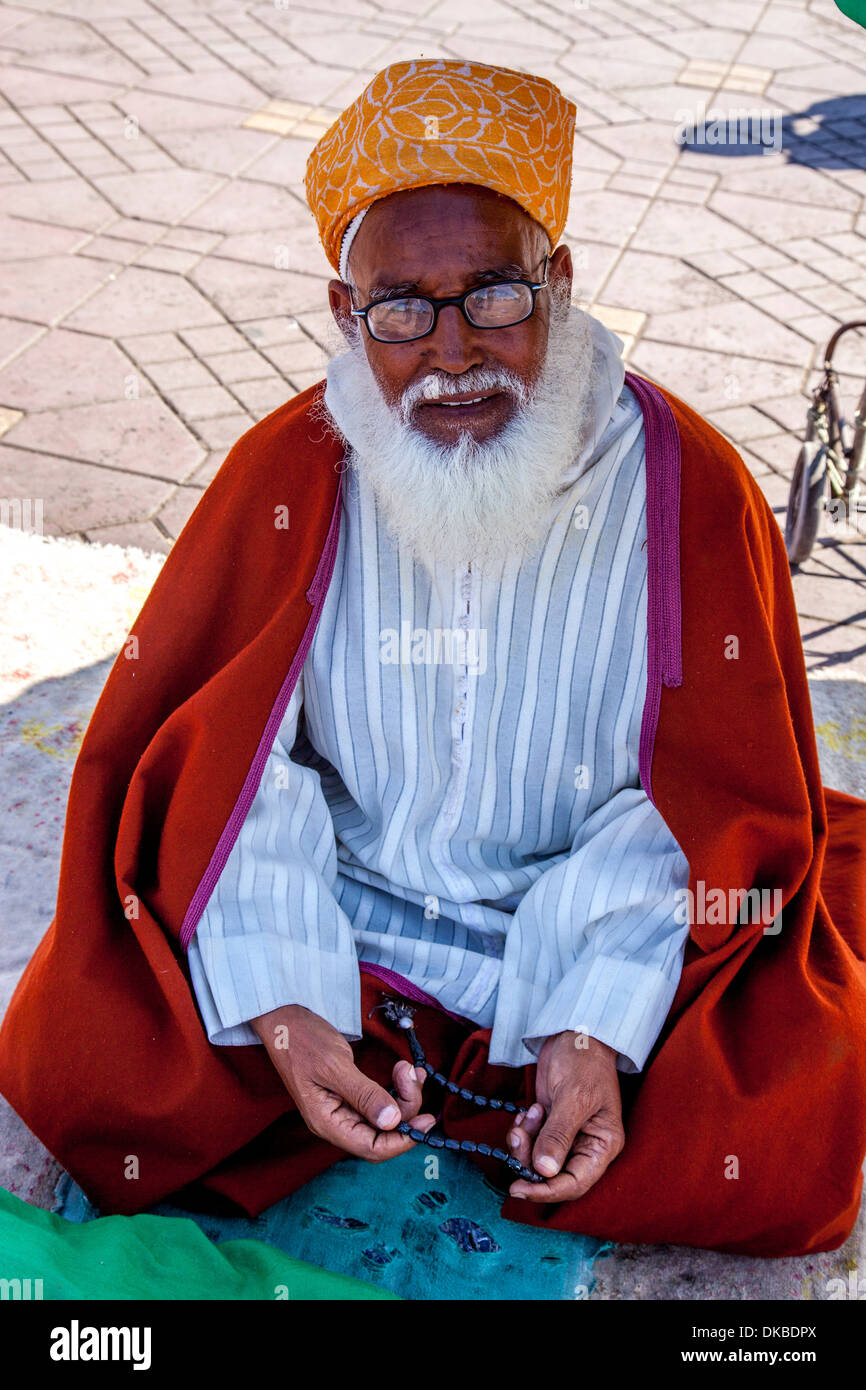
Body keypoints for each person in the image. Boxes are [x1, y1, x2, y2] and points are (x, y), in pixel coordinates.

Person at [2, 59, 865, 1259]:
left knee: (782, 1129)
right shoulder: (290, 471)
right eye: (398, 309)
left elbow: (703, 806)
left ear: (557, 284)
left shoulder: (688, 488)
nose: (450, 352)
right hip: (337, 906)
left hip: (593, 908)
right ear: (342, 316)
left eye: (495, 298)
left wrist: (589, 1022)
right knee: (94, 1067)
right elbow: (228, 764)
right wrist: (287, 998)